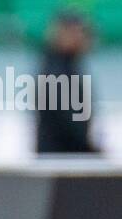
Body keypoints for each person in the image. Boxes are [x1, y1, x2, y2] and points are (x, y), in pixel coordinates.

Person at [36, 10, 98, 157]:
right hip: (61, 161)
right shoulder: (56, 74)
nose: (83, 38)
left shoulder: (66, 68)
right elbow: (70, 128)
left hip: (61, 158)